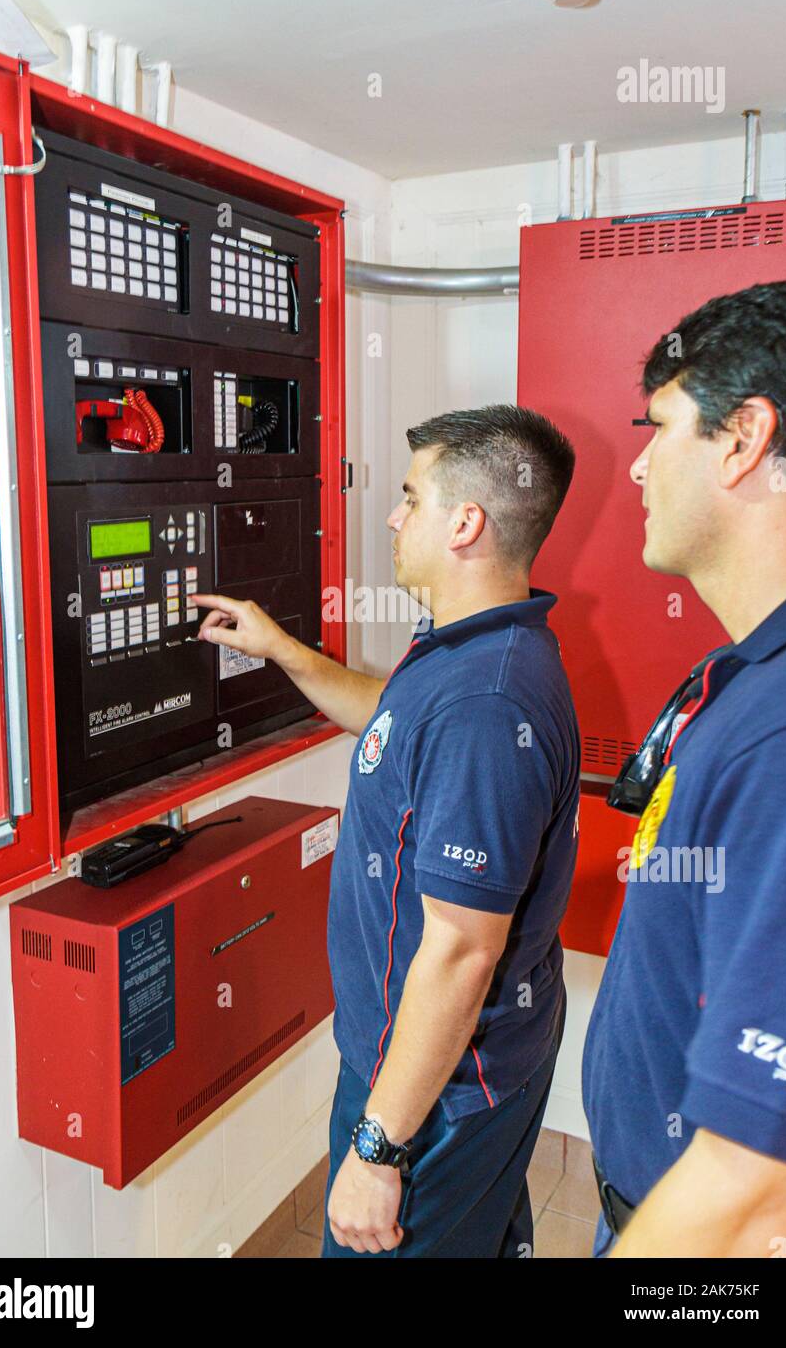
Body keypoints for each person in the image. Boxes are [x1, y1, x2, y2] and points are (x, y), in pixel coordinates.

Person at [193, 403, 580, 1257]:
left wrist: (379, 1148)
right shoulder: (465, 650)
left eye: (411, 497)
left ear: (466, 521)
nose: (396, 516)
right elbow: (392, 719)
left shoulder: (488, 701)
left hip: (433, 1097)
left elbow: (460, 948)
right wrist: (284, 650)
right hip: (447, 1069)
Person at [583, 274, 786, 1257]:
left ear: (741, 436)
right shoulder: (748, 674)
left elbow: (756, 1188)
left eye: (659, 426)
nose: (636, 469)